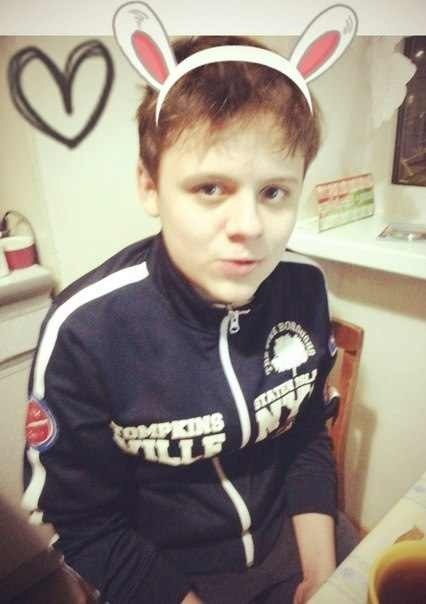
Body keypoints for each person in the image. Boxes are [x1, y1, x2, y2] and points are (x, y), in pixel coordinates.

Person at [22, 32, 359, 604]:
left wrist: (322, 574)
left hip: (296, 544)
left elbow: (305, 435)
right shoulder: (85, 330)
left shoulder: (304, 285)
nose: (249, 226)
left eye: (274, 192)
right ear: (149, 186)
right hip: (165, 580)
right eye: (210, 188)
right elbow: (78, 519)